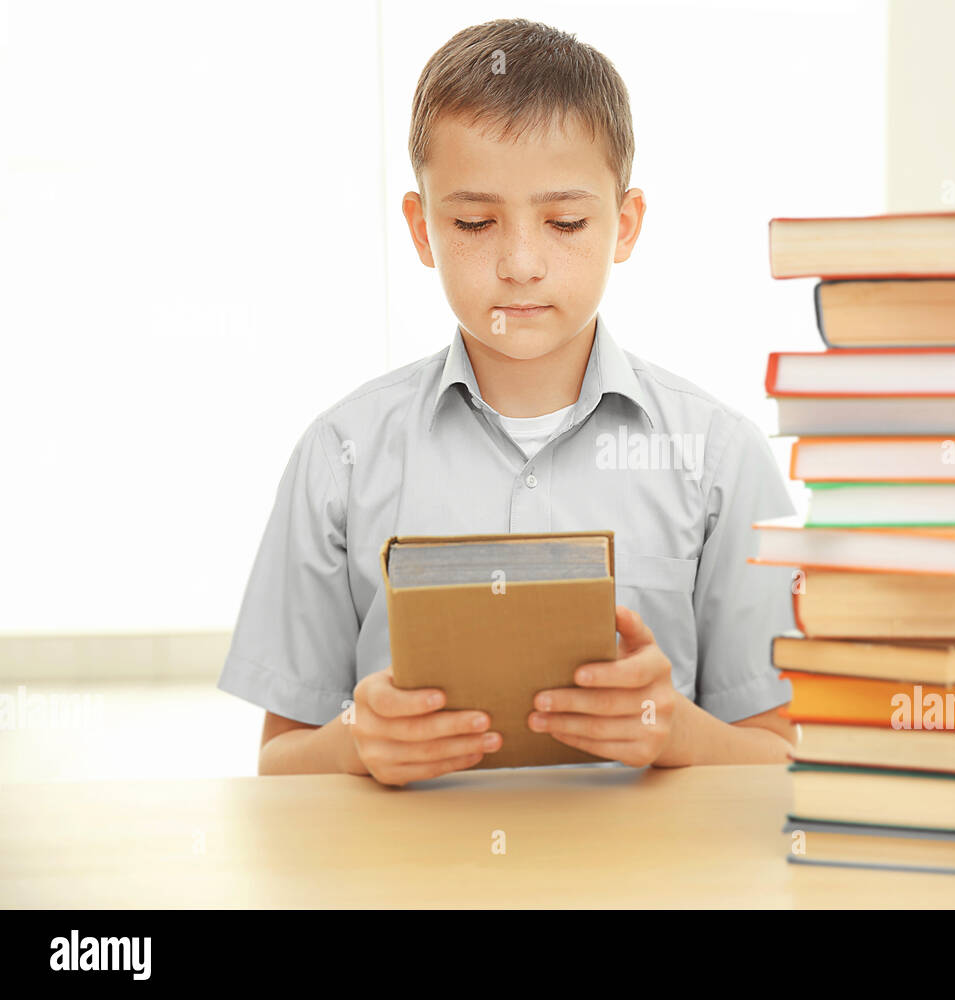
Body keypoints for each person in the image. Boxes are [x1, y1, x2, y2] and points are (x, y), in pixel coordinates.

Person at [217, 17, 798, 787]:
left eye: (564, 222)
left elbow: (784, 755)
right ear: (422, 230)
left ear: (623, 226)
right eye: (473, 222)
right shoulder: (341, 457)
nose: (521, 263)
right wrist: (359, 740)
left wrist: (674, 729)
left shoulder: (720, 457)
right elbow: (282, 764)